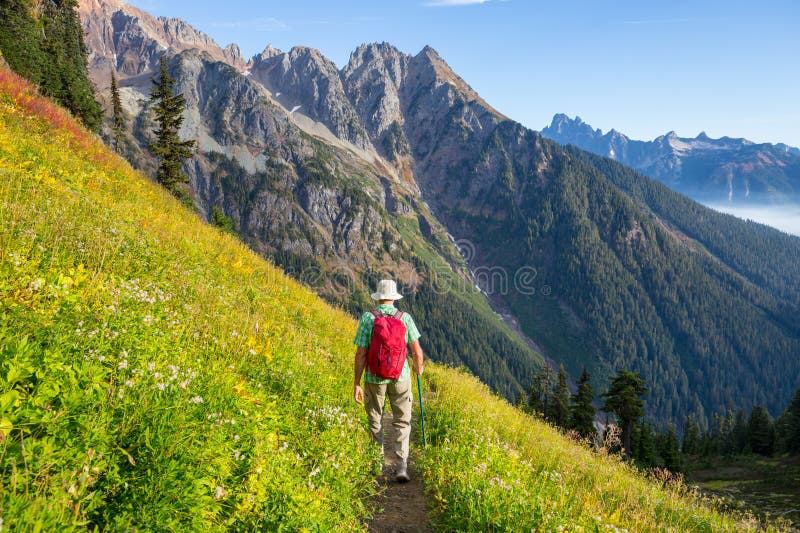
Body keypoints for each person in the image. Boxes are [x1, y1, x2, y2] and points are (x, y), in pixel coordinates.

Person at [353, 279, 424, 482]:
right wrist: (418, 368)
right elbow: (417, 351)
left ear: (378, 297)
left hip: (374, 378)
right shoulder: (405, 318)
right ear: (394, 298)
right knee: (402, 421)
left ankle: (376, 465)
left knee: (375, 419)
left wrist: (357, 382)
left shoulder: (368, 318)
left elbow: (361, 353)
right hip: (400, 377)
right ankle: (401, 466)